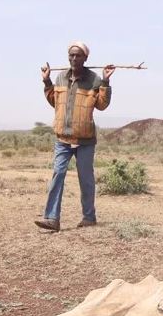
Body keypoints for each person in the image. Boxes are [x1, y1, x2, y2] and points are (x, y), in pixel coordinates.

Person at [34, 41, 115, 231]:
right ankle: (52, 219)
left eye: (78, 55)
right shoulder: (61, 77)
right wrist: (47, 81)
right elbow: (55, 101)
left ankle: (88, 217)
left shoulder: (93, 79)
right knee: (58, 175)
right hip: (62, 138)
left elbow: (102, 105)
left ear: (86, 58)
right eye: (71, 55)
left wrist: (105, 81)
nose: (74, 58)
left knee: (85, 178)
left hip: (85, 139)